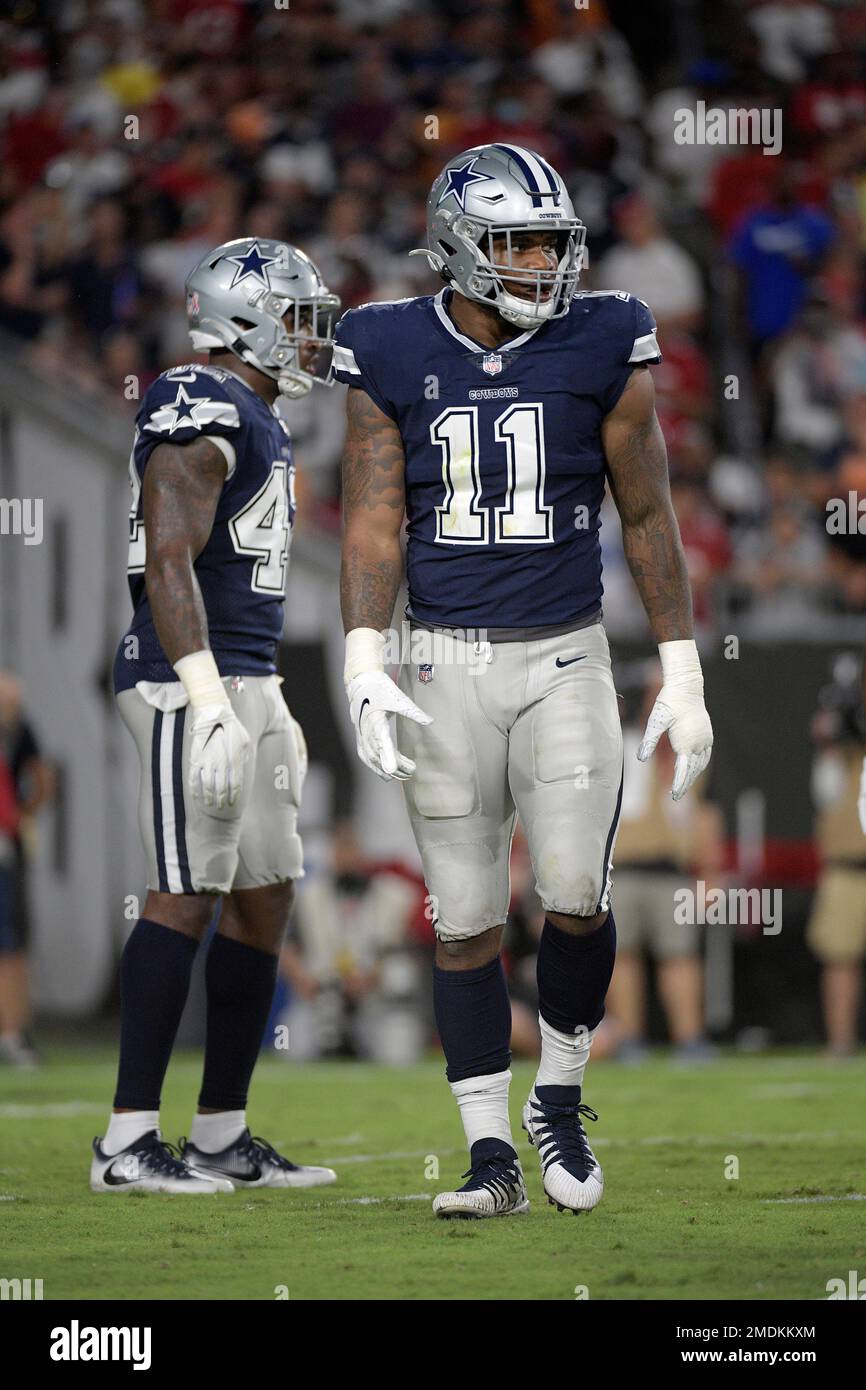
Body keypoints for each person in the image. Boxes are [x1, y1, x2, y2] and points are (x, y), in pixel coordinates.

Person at [333, 144, 713, 1218]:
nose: (545, 262)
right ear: (458, 246)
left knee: (574, 897)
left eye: (553, 240)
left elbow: (646, 512)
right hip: (441, 657)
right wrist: (364, 652)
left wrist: (680, 666)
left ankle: (556, 1094)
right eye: (519, 243)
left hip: (563, 652)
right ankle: (487, 1154)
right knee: (460, 918)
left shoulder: (603, 334)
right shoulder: (385, 343)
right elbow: (370, 514)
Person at [94, 237, 341, 1194]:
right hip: (178, 677)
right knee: (184, 889)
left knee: (267, 888)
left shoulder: (261, 414)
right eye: (300, 318)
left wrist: (261, 694)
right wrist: (205, 699)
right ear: (244, 318)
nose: (313, 339)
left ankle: (222, 1134)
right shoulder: (197, 401)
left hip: (246, 674)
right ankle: (125, 1143)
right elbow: (167, 559)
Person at [0, 672, 54, 1069]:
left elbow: (42, 782)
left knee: (11, 944)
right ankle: (13, 1034)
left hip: (6, 847)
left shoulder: (21, 731)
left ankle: (14, 1032)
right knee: (10, 945)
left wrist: (19, 818)